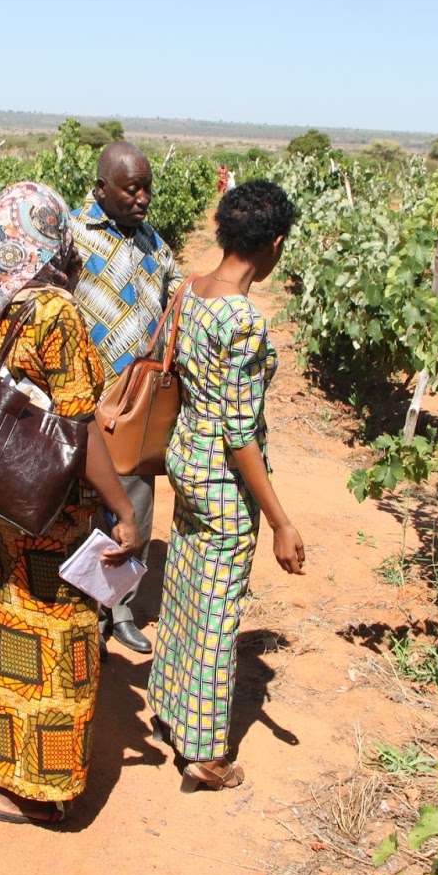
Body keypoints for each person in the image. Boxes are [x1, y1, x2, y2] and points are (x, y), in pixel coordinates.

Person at [0, 181, 141, 825]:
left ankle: (0, 770)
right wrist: (126, 509)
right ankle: (36, 785)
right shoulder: (54, 312)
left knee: (8, 620)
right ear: (50, 236)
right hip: (46, 508)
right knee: (60, 636)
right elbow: (80, 428)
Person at [146, 180, 306, 792]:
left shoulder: (188, 291)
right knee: (217, 611)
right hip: (220, 477)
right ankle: (205, 753)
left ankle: (170, 706)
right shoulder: (241, 320)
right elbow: (241, 434)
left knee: (186, 587)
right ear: (274, 245)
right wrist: (280, 520)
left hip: (186, 461)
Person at [68, 141, 183, 654]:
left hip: (135, 406)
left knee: (135, 505)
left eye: (147, 189)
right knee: (84, 505)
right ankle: (84, 612)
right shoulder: (72, 235)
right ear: (102, 189)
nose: (142, 199)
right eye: (131, 188)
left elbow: (177, 293)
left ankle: (120, 610)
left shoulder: (154, 243)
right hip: (83, 401)